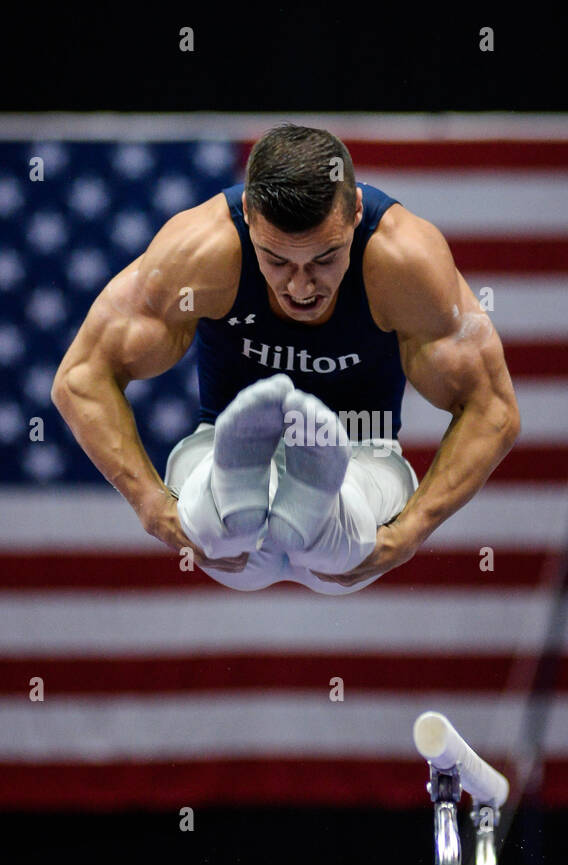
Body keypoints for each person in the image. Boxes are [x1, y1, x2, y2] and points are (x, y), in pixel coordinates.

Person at [52, 123, 519, 594]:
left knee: (335, 537)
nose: (301, 287)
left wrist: (410, 530)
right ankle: (240, 483)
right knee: (226, 534)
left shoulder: (402, 260)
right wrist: (152, 506)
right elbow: (81, 377)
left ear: (355, 211)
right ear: (250, 218)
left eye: (325, 258)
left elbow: (492, 408)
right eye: (277, 261)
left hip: (363, 448)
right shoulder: (202, 252)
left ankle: (303, 494)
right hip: (218, 437)